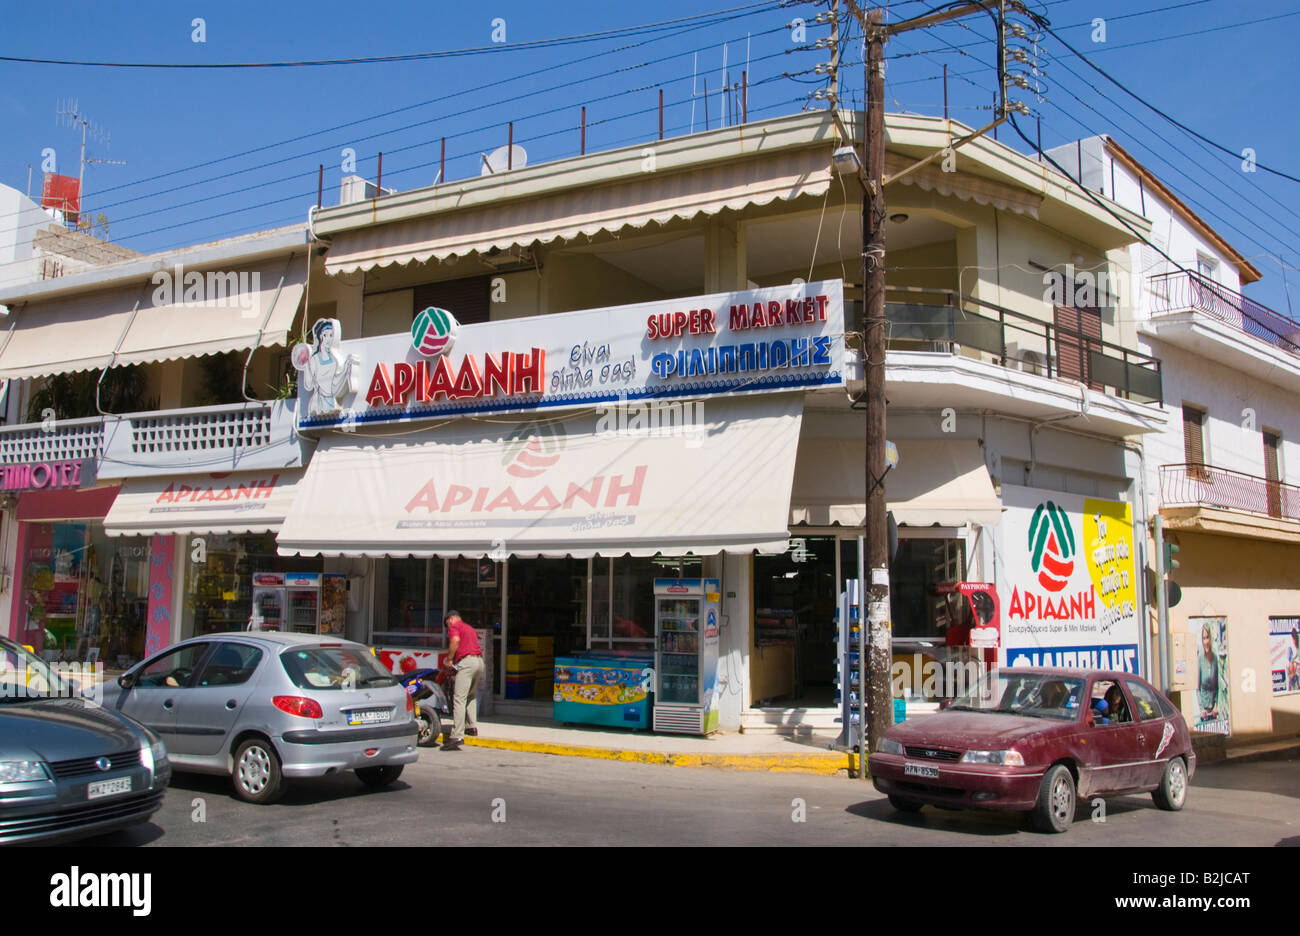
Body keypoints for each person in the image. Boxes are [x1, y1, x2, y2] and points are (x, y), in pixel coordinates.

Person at [441, 610, 485, 751]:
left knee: (459, 699)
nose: (448, 627)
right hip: (479, 662)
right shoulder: (469, 628)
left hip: (466, 663)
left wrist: (449, 659)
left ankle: (457, 736)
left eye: (447, 623)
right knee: (471, 695)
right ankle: (471, 727)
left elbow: (455, 641)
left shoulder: (455, 627)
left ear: (452, 618)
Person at [299, 319, 358, 417]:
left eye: (331, 335)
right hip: (318, 402)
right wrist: (307, 366)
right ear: (320, 336)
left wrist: (347, 368)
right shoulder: (314, 359)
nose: (328, 339)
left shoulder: (334, 360)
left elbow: (335, 384)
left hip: (330, 402)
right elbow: (309, 385)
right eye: (325, 335)